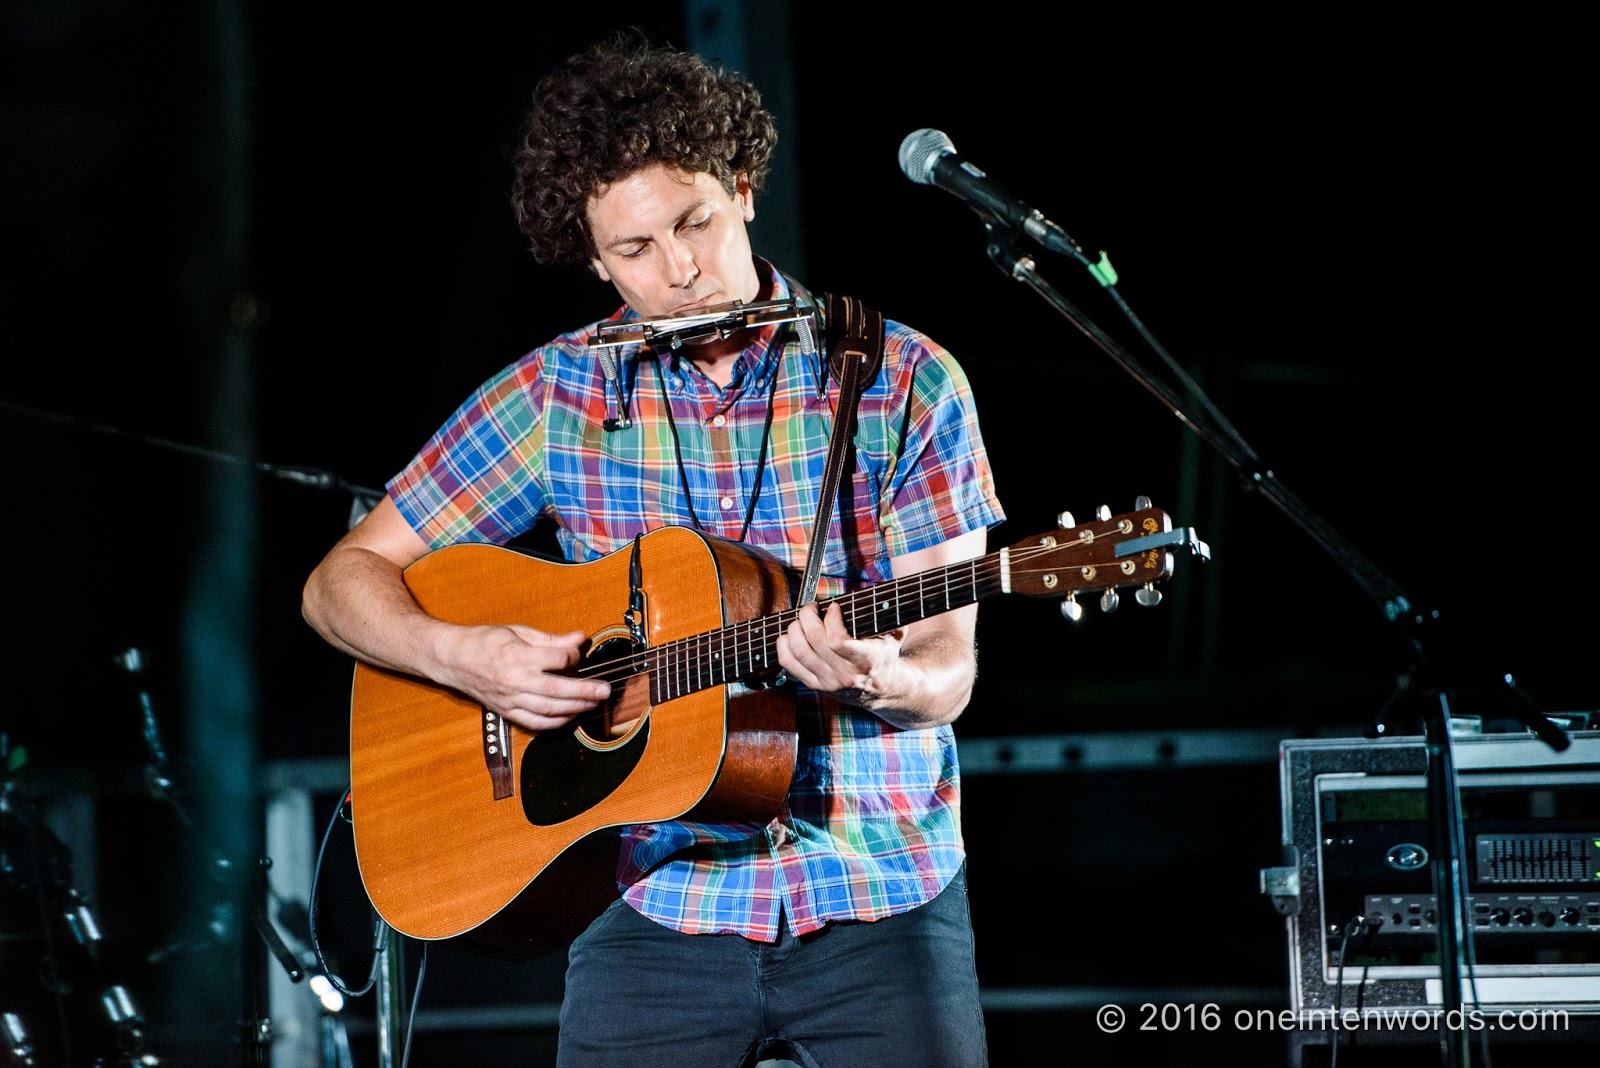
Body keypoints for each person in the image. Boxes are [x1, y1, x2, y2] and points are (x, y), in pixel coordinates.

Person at [301, 28, 1004, 1068]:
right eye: (634, 251)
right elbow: (338, 586)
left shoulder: (902, 379)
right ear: (590, 258)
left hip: (879, 886)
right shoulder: (555, 397)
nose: (680, 270)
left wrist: (884, 674)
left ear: (744, 190)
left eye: (697, 223)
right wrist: (468, 658)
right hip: (646, 903)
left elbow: (948, 672)